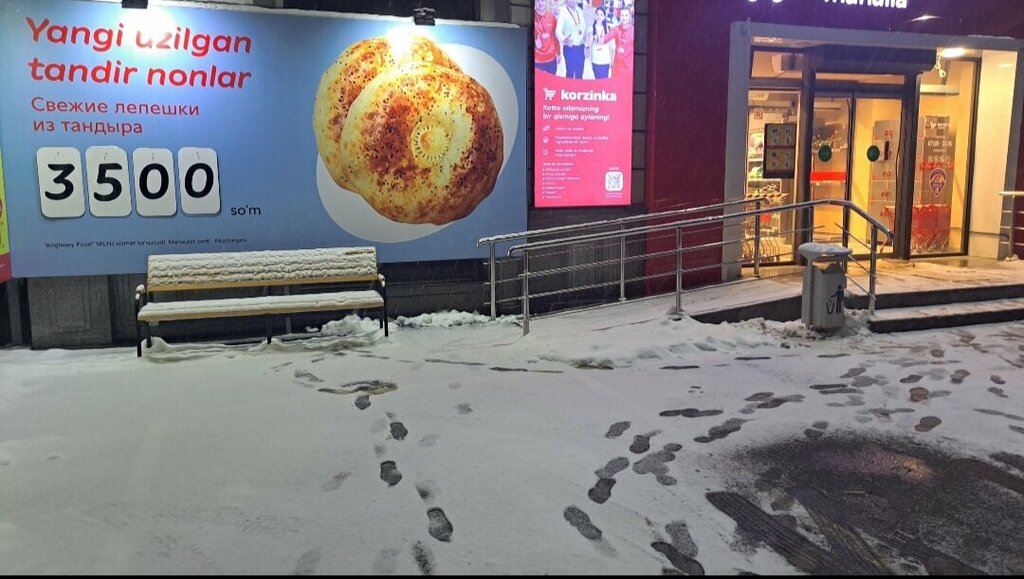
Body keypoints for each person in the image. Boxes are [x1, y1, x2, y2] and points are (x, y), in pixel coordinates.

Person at [556, 0, 587, 79]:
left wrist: (587, 44)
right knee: (570, 73)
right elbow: (558, 31)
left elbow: (583, 28)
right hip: (570, 48)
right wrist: (564, 39)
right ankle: (569, 90)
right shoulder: (563, 11)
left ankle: (578, 90)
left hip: (580, 47)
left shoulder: (579, 10)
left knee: (579, 73)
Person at [602, 7, 633, 80]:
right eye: (622, 15)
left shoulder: (634, 31)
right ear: (619, 16)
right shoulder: (616, 29)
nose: (624, 18)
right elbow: (606, 38)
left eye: (626, 15)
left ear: (629, 17)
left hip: (628, 70)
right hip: (617, 69)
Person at [587, 6, 613, 79]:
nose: (599, 17)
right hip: (596, 59)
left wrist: (611, 61)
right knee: (597, 81)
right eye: (597, 14)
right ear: (595, 16)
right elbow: (587, 45)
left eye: (601, 15)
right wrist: (590, 38)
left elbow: (611, 47)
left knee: (605, 82)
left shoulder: (608, 28)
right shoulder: (591, 28)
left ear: (604, 17)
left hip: (605, 60)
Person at [534, 0, 559, 75]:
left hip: (551, 58)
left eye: (542, 1)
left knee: (551, 84)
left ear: (545, 2)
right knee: (539, 85)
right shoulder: (532, 18)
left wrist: (558, 53)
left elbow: (556, 36)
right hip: (538, 59)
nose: (540, 3)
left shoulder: (552, 17)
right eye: (538, 1)